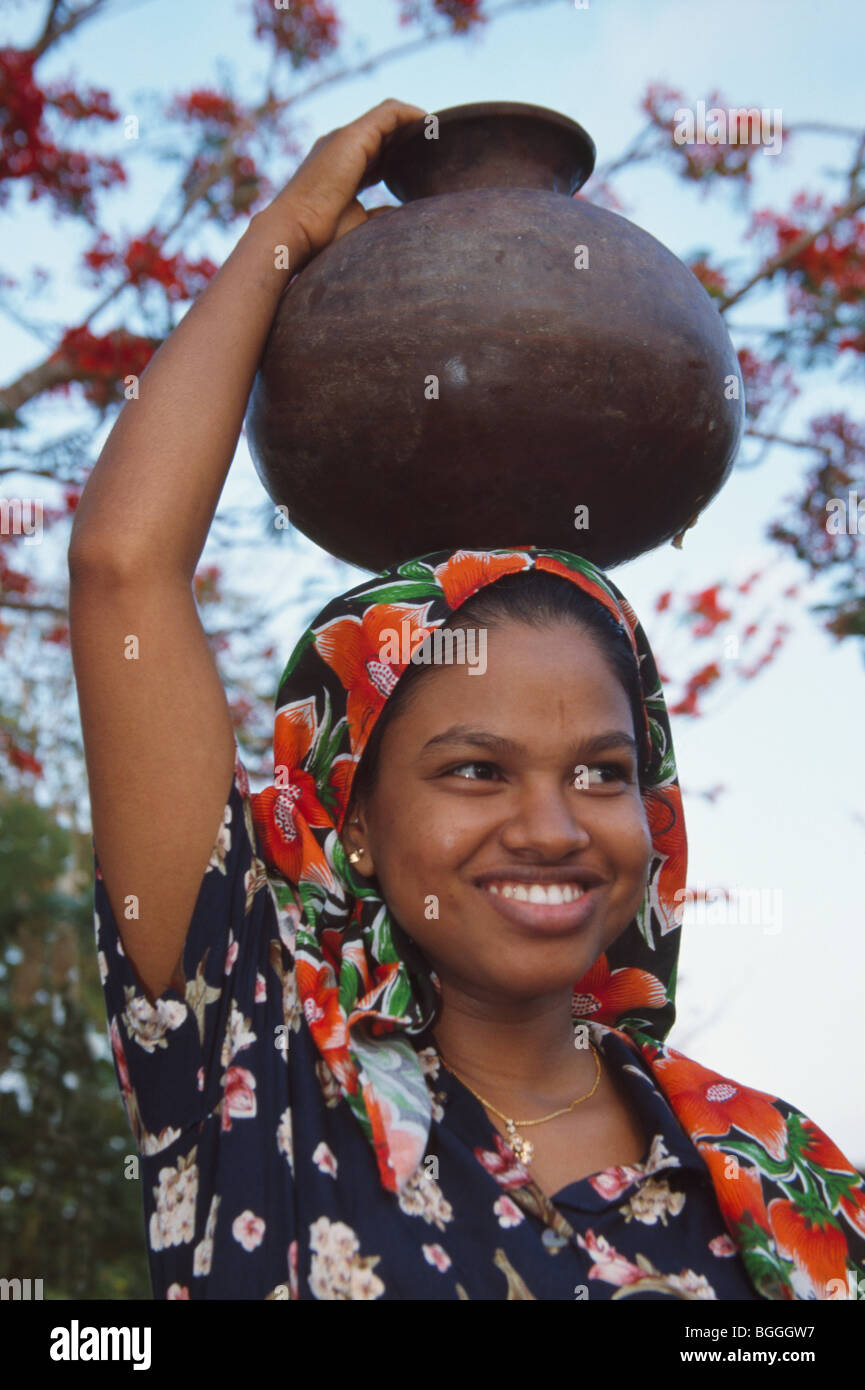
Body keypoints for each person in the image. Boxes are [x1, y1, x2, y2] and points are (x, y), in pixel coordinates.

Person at [68, 102, 865, 1301]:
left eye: (600, 771)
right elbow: (124, 571)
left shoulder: (784, 1178)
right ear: (357, 821)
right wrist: (289, 226)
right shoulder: (262, 1082)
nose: (553, 826)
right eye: (476, 768)